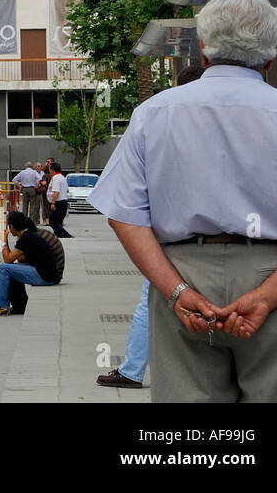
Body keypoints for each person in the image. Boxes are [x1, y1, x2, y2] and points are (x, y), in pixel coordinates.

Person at [91, 0, 277, 401]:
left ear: (203, 53)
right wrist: (266, 295)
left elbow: (124, 215)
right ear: (270, 59)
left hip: (183, 273)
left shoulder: (153, 113)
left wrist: (175, 290)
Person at [97, 64, 206, 391]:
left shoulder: (158, 121)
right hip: (236, 246)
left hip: (169, 241)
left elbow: (120, 208)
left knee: (152, 301)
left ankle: (131, 370)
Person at [0, 211, 62, 316]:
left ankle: (0, 306)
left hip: (45, 276)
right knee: (9, 269)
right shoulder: (28, 235)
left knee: (3, 268)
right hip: (47, 274)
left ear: (11, 226)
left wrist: (3, 240)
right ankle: (20, 306)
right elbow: (17, 260)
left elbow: (7, 260)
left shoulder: (27, 238)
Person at [45, 161, 72, 238]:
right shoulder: (62, 177)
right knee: (58, 221)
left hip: (58, 202)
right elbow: (67, 190)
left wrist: (53, 203)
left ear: (52, 170)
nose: (49, 171)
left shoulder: (56, 178)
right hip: (63, 201)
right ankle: (58, 235)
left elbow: (56, 192)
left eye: (50, 169)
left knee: (52, 221)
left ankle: (66, 234)